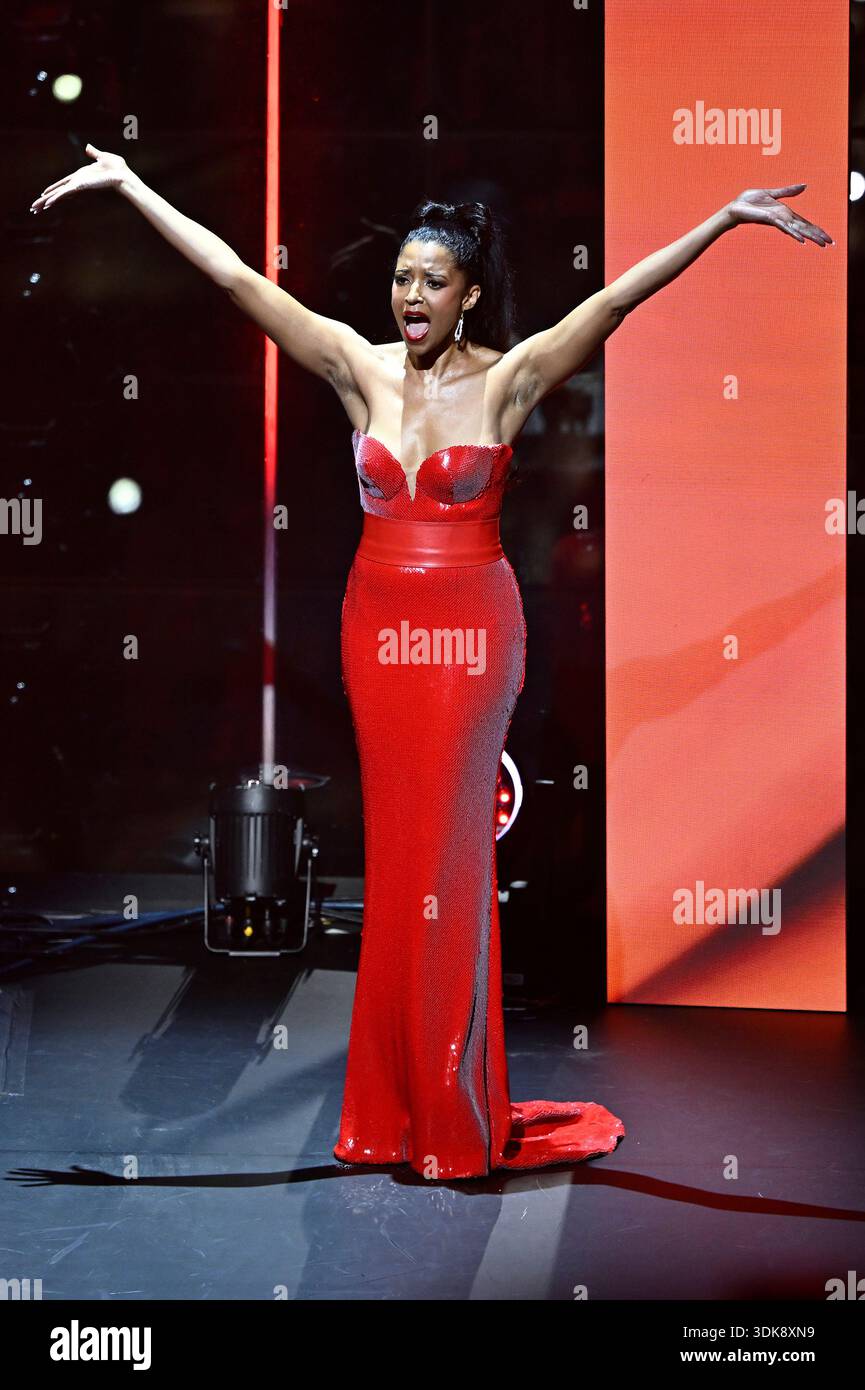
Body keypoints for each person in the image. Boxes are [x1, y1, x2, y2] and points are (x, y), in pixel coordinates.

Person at [31, 146, 833, 1179]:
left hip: (471, 641)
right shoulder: (353, 365)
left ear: (467, 295)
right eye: (402, 277)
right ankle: (394, 1103)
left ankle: (450, 1111)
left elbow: (616, 300)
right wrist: (137, 187)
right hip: (377, 634)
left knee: (452, 862)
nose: (411, 295)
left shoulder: (511, 377)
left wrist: (724, 218)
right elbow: (236, 278)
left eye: (431, 282)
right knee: (403, 857)